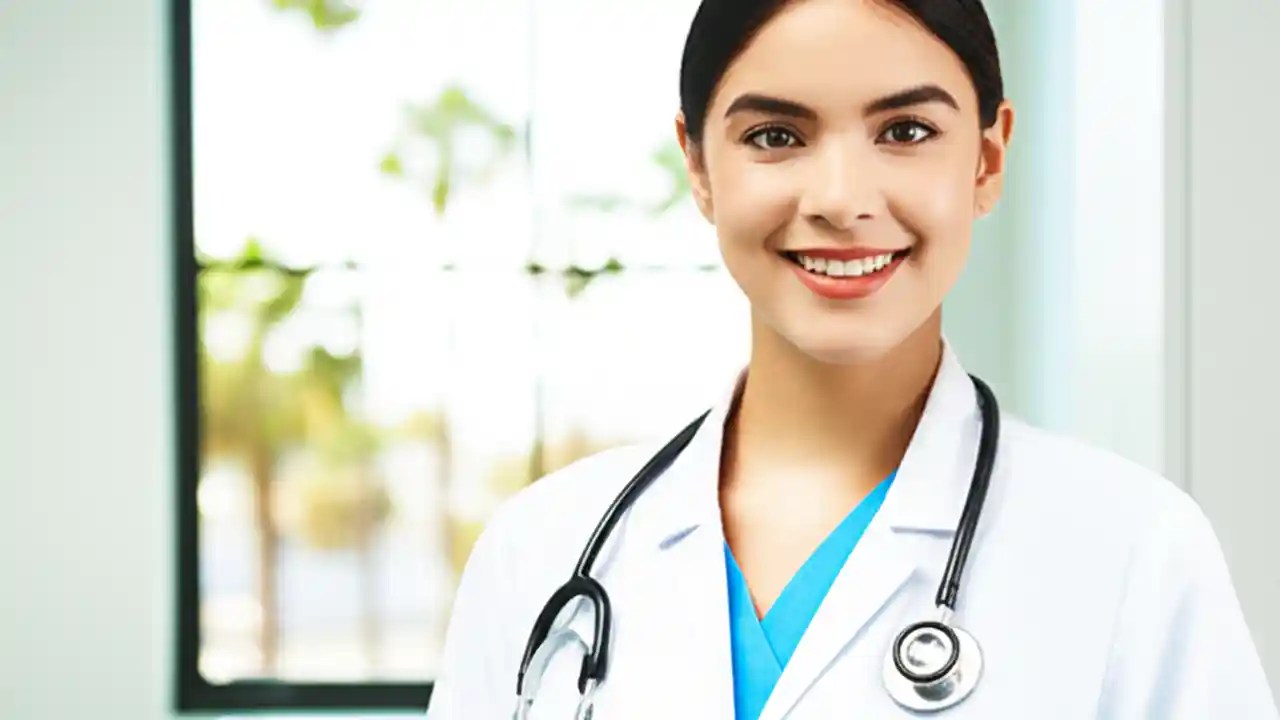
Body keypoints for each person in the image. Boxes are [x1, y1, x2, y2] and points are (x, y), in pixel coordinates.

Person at [425, 0, 1279, 717]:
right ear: (699, 166)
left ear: (986, 159)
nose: (840, 200)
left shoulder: (1132, 548)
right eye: (774, 137)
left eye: (905, 130)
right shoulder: (542, 549)